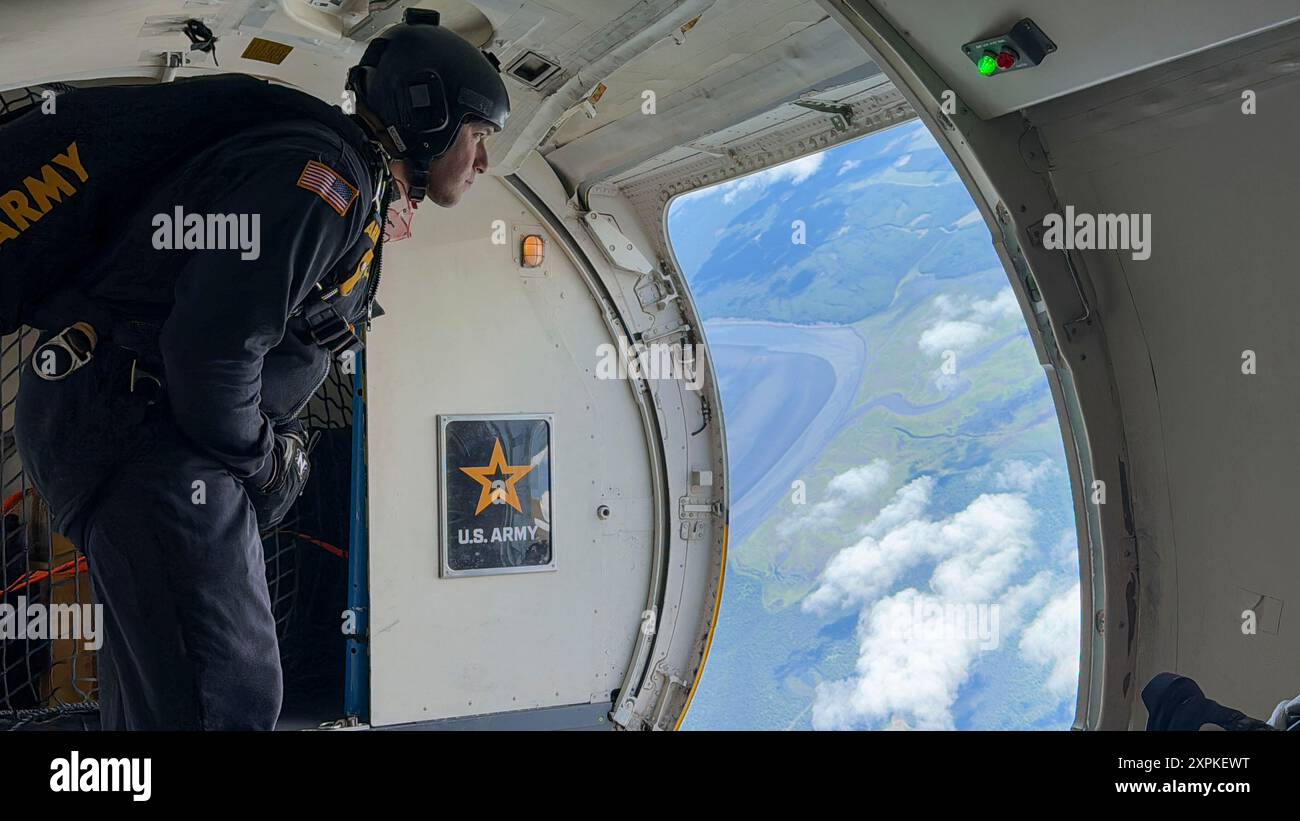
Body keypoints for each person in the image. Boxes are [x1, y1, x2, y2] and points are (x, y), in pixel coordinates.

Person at [1, 9, 509, 730]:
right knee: (225, 699)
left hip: (128, 433)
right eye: (479, 135)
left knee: (164, 700)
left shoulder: (341, 182)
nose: (484, 160)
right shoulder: (323, 181)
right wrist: (266, 463)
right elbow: (211, 354)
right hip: (150, 440)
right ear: (429, 118)